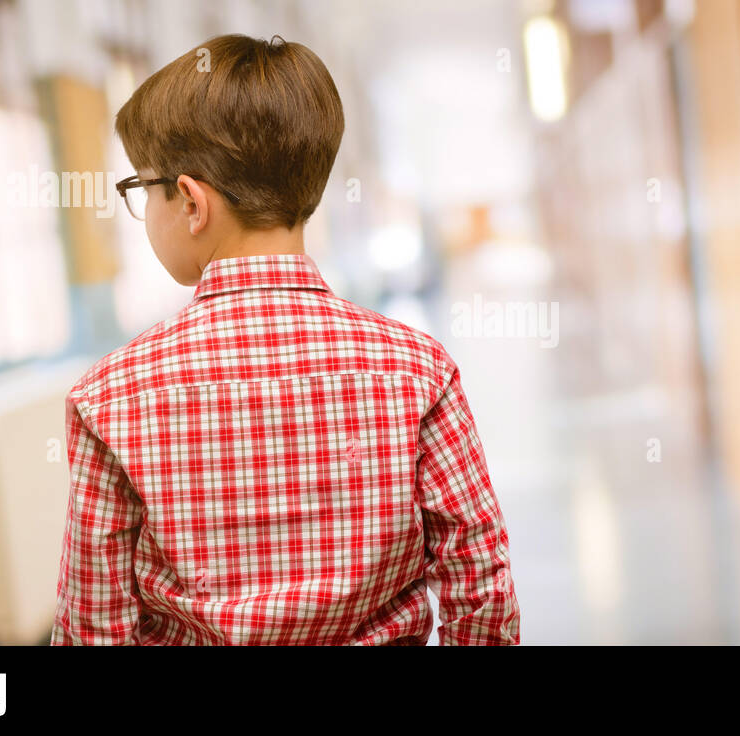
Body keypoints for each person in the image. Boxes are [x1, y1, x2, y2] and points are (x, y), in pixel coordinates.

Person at [50, 34, 520, 645]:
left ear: (190, 202)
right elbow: (480, 584)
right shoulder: (416, 370)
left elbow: (94, 626)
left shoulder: (111, 397)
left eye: (141, 190)